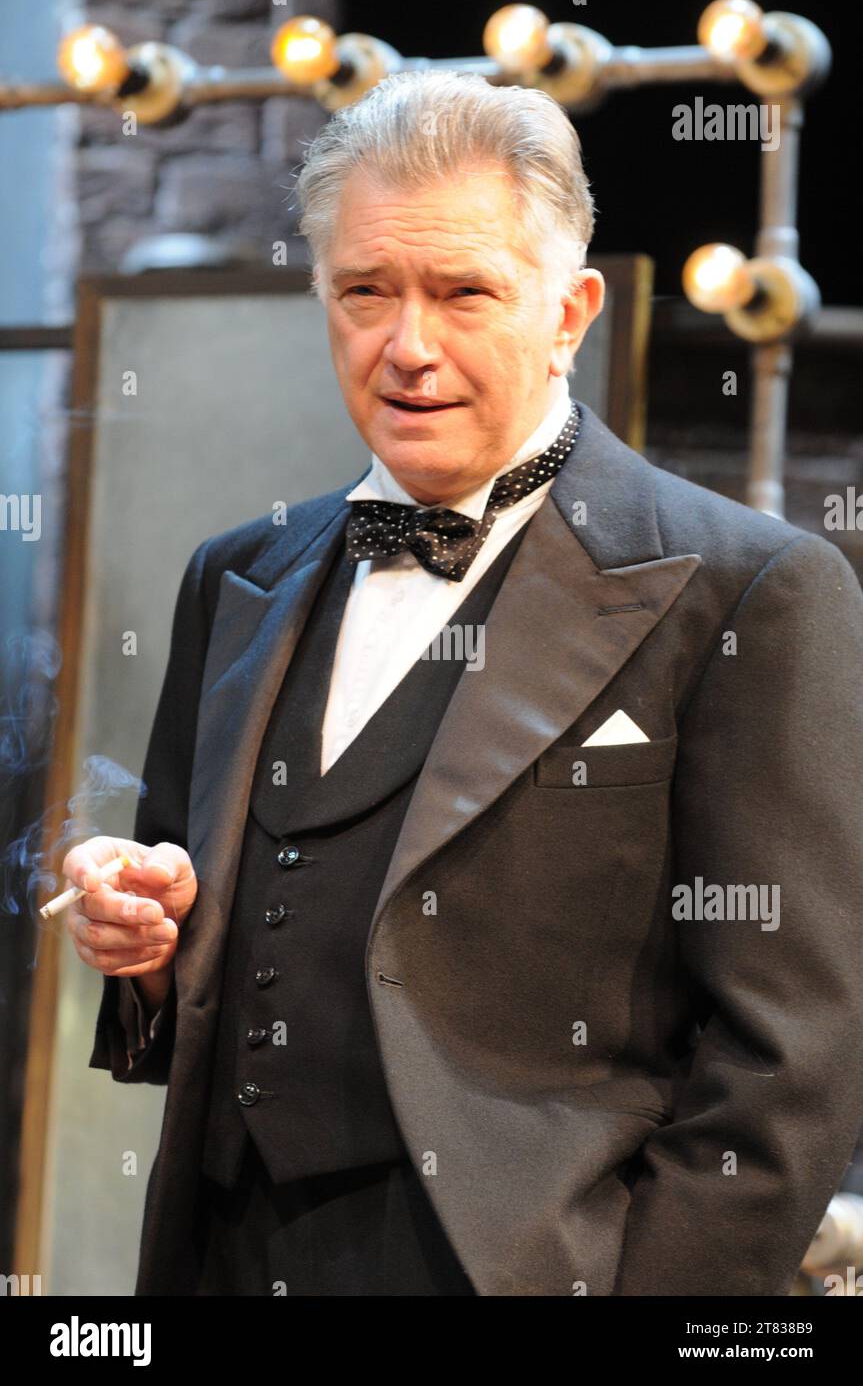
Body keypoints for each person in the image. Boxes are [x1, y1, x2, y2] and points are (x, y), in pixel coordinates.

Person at [65, 70, 863, 1297]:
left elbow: (788, 1059)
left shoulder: (748, 593)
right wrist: (149, 946)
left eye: (463, 293)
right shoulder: (233, 574)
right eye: (364, 293)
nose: (408, 346)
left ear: (569, 310)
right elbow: (207, 944)